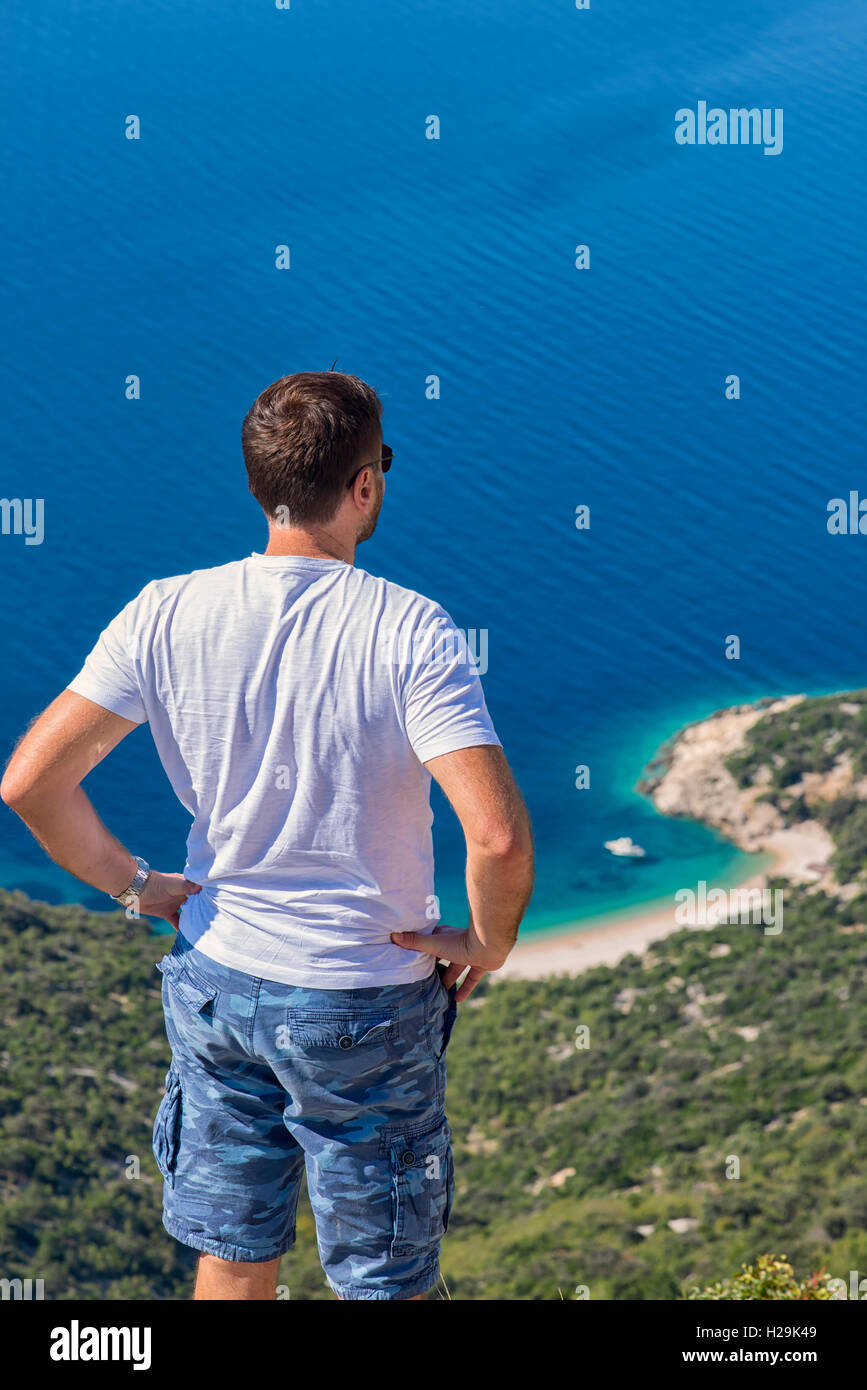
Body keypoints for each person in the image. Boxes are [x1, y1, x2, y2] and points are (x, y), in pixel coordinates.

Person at [1, 371, 535, 1301]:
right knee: (384, 1274)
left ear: (261, 484)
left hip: (217, 982)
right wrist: (489, 940)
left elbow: (31, 784)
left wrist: (134, 885)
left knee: (236, 1252)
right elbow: (494, 839)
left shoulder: (163, 610)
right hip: (363, 997)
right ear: (364, 485)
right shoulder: (412, 631)